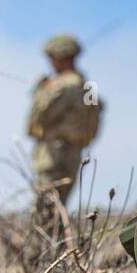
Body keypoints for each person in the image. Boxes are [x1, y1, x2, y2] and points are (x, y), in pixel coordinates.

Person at [26, 33, 103, 219]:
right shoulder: (87, 88)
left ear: (62, 56)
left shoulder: (64, 86)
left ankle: (46, 248)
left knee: (44, 213)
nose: (50, 62)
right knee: (56, 211)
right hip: (72, 156)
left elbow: (42, 116)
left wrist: (40, 90)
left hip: (53, 155)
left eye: (51, 57)